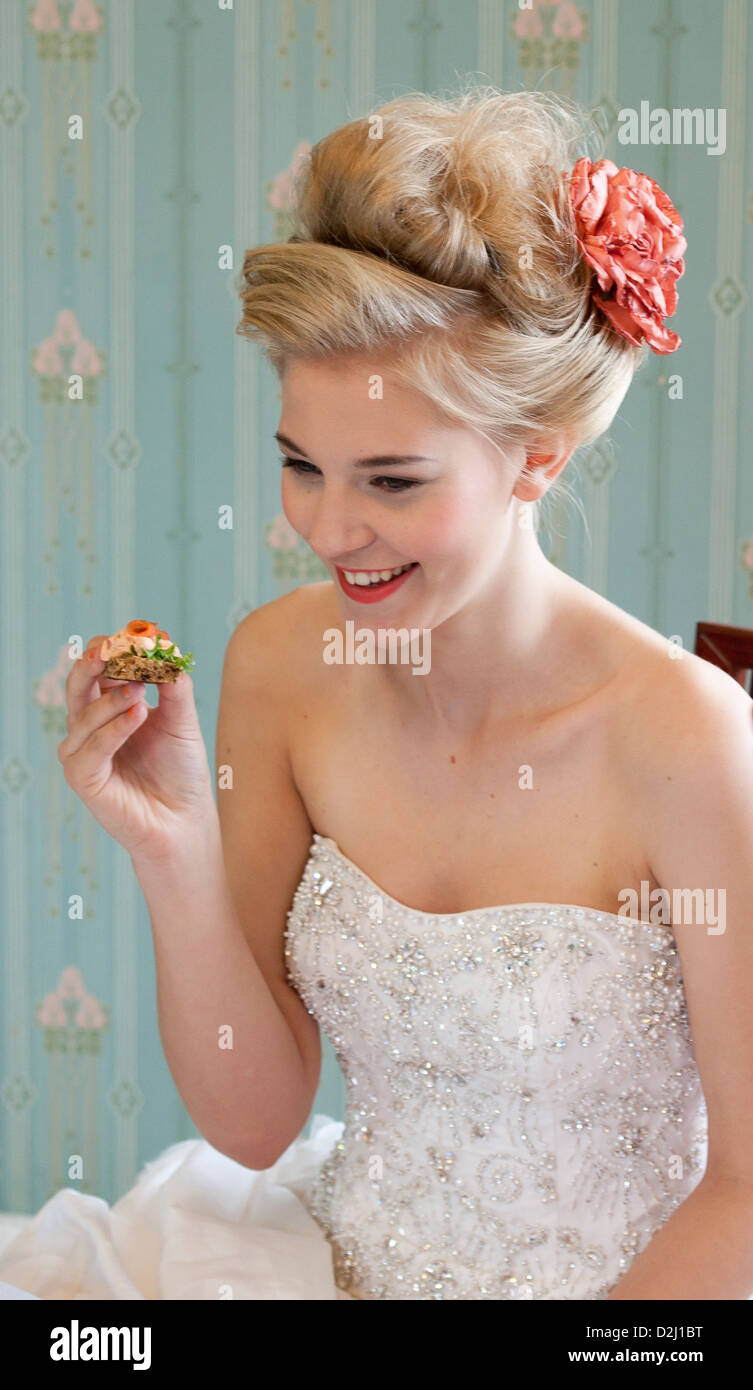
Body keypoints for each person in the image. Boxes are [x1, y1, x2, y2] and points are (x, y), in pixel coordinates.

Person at [2, 83, 752, 1301]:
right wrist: (174, 850)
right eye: (301, 465)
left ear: (538, 456)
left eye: (394, 482)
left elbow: (750, 1194)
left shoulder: (691, 740)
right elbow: (253, 1125)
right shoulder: (282, 668)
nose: (329, 527)